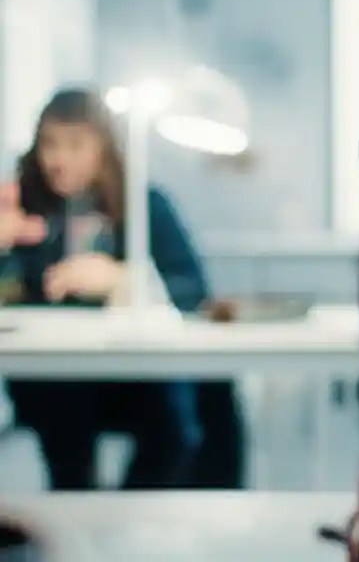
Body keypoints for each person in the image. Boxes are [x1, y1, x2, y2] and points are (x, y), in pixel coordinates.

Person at [0, 88, 240, 489]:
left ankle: (132, 525)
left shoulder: (145, 204)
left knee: (184, 421)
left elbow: (191, 289)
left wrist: (122, 279)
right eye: (49, 144)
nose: (58, 160)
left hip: (131, 374)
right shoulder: (19, 208)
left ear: (104, 147)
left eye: (75, 144)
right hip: (52, 377)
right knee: (67, 441)